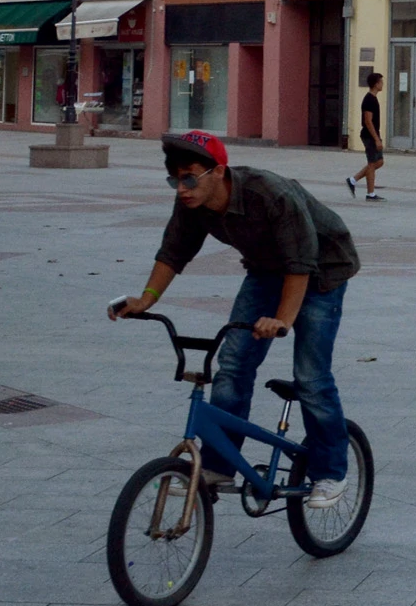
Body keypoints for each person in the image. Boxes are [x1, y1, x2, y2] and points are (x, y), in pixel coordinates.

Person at [109, 131, 357, 504]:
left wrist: (282, 321)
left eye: (190, 177)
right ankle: (218, 466)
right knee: (232, 365)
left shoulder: (269, 193)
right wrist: (147, 299)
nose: (182, 188)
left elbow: (301, 263)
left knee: (310, 375)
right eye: (175, 179)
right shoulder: (192, 203)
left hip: (323, 269)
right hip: (266, 270)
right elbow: (173, 252)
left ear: (218, 171)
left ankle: (331, 472)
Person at [345, 68, 385, 202]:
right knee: (373, 163)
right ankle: (370, 193)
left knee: (378, 162)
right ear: (376, 84)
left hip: (373, 135)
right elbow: (368, 121)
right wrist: (376, 139)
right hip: (369, 135)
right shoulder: (369, 100)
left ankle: (353, 180)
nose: (382, 84)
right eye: (381, 82)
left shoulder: (373, 99)